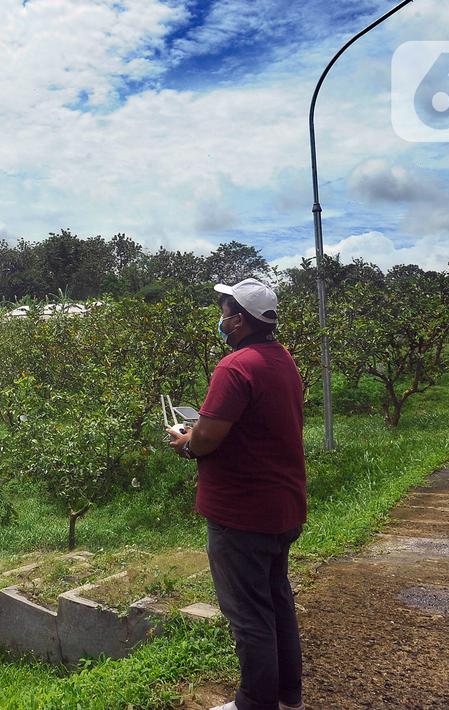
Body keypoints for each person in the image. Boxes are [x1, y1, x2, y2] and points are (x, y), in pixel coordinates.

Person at [166, 278, 307, 710]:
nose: (221, 319)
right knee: (277, 602)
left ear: (240, 320)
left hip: (242, 513)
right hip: (282, 506)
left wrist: (186, 439)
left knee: (249, 616)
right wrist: (202, 432)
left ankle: (254, 702)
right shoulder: (282, 359)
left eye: (225, 311)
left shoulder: (235, 367)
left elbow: (207, 439)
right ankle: (287, 698)